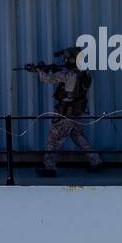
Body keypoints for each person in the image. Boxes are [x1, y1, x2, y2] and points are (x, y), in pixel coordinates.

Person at [30, 46, 102, 177]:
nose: (65, 60)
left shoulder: (67, 74)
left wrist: (40, 70)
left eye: (66, 58)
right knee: (78, 136)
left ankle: (50, 168)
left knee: (53, 139)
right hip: (77, 110)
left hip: (67, 112)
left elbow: (46, 79)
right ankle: (95, 160)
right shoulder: (85, 73)